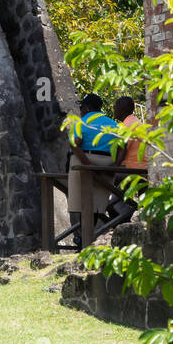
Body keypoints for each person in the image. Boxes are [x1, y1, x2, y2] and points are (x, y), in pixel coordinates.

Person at [67, 94, 120, 247]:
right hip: (107, 163)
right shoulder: (113, 124)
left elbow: (75, 144)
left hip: (85, 162)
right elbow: (123, 146)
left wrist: (89, 165)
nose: (80, 110)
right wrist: (115, 165)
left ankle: (84, 241)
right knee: (97, 203)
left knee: (80, 203)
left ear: (87, 108)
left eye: (81, 107)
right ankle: (88, 238)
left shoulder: (80, 123)